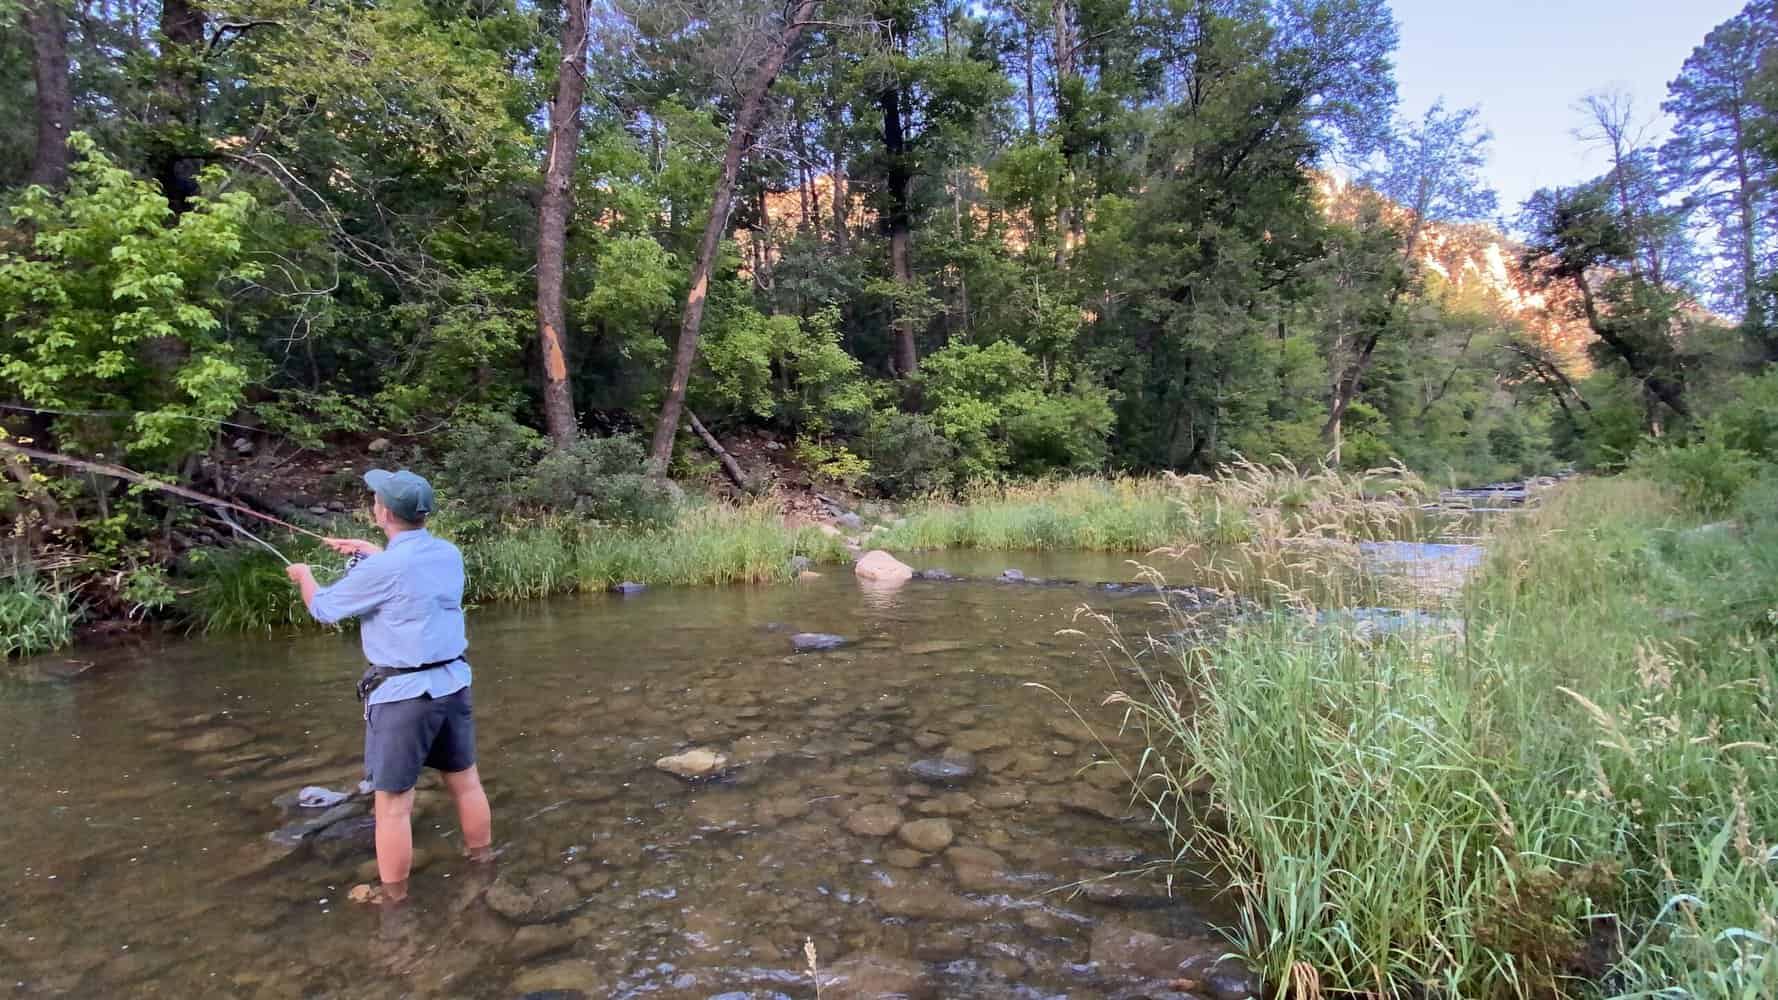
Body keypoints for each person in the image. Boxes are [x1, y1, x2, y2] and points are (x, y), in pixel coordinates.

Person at [284, 468, 493, 905]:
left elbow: (324, 609)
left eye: (377, 500)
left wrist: (303, 575)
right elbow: (407, 577)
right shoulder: (448, 553)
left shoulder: (384, 568)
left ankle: (394, 902)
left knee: (393, 805)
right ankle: (482, 864)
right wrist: (373, 552)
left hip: (404, 697)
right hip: (454, 684)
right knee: (466, 783)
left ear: (383, 512)